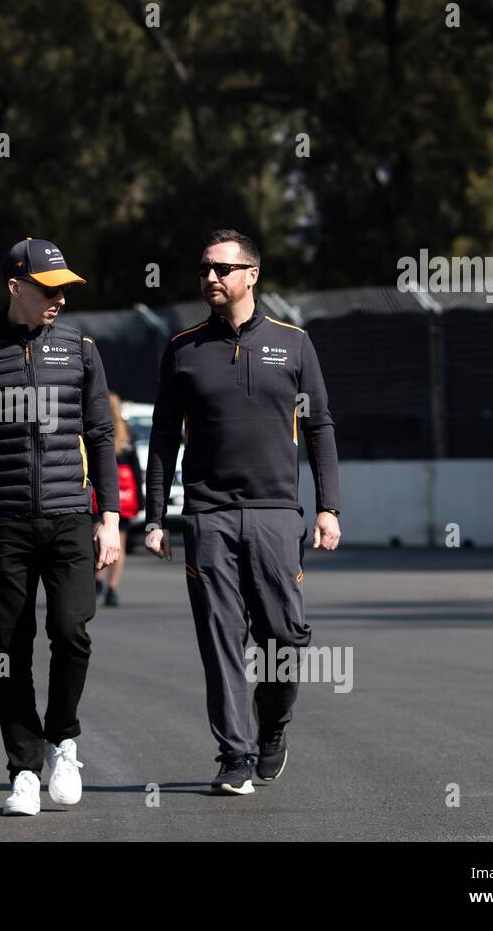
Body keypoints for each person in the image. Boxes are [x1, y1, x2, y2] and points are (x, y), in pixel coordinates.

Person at [145, 228, 341, 796]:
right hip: (207, 514)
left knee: (286, 636)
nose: (211, 277)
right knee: (220, 637)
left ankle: (272, 726)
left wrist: (328, 506)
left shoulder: (294, 343)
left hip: (278, 512)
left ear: (251, 274)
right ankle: (234, 755)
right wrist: (157, 516)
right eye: (205, 267)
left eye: (223, 269)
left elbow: (321, 426)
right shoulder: (182, 348)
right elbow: (162, 437)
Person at [0, 237, 121, 816]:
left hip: (71, 517)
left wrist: (111, 518)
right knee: (10, 649)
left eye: (66, 289)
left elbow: (100, 435)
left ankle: (62, 740)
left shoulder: (80, 350)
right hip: (5, 524)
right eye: (50, 289)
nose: (60, 300)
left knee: (72, 633)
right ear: (15, 286)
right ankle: (22, 770)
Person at [94, 392, 143, 607]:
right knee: (119, 544)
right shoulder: (128, 437)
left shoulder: (96, 434)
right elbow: (137, 472)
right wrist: (141, 502)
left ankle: (97, 581)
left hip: (99, 498)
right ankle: (112, 587)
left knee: (97, 540)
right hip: (124, 500)